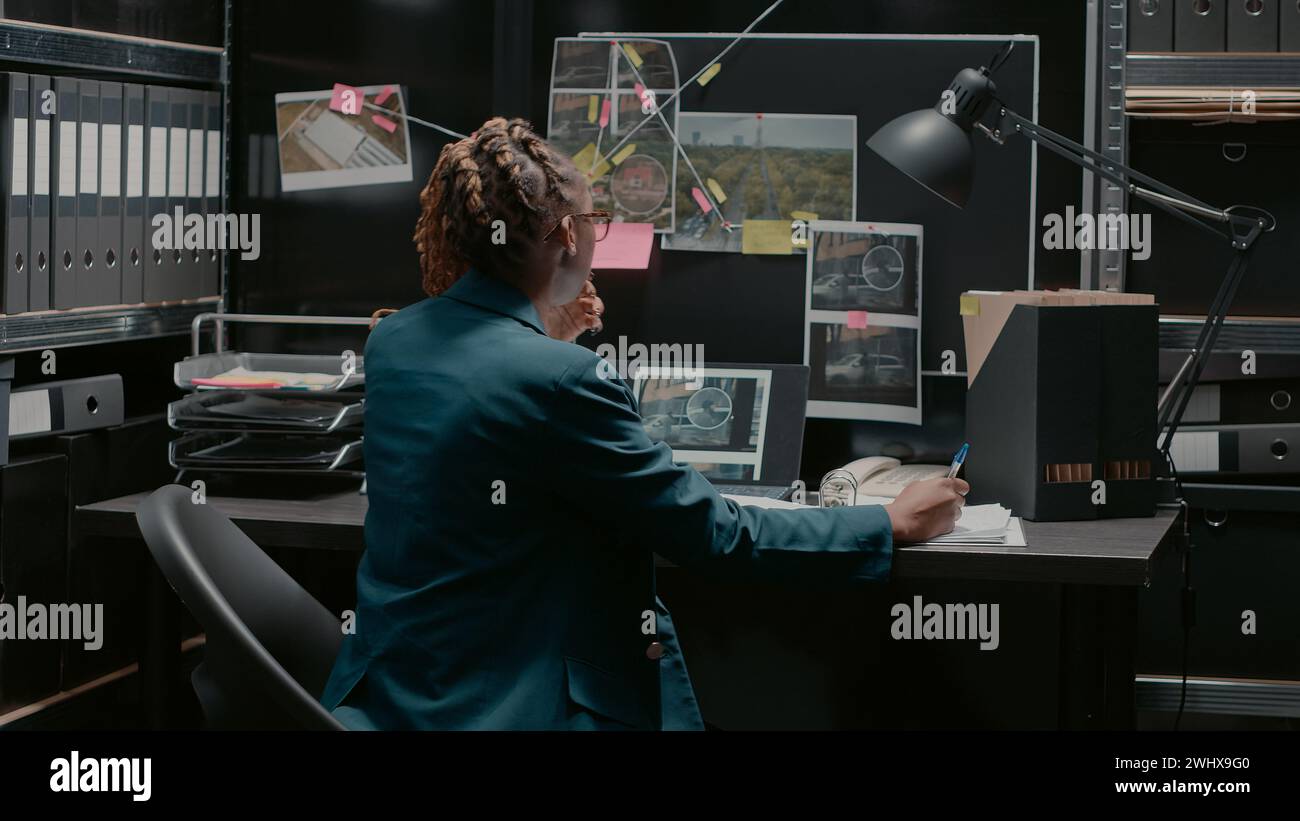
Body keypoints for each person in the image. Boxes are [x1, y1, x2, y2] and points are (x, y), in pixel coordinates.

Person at [320, 116, 968, 730]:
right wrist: (889, 521)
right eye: (595, 219)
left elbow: (492, 448)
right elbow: (715, 535)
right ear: (570, 236)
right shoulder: (563, 379)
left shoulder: (394, 342)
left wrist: (548, 334)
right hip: (515, 707)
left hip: (392, 701)